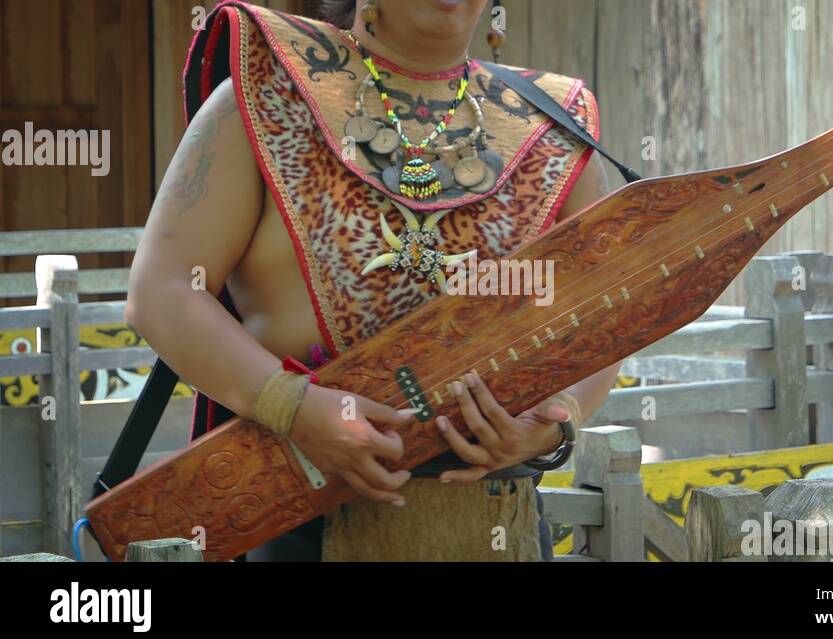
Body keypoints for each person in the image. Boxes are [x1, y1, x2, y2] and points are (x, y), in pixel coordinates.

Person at [125, 0, 621, 561]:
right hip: (301, 510)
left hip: (499, 520)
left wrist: (557, 424)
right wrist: (293, 406)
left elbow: (607, 311)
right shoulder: (263, 98)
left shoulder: (553, 125)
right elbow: (163, 291)